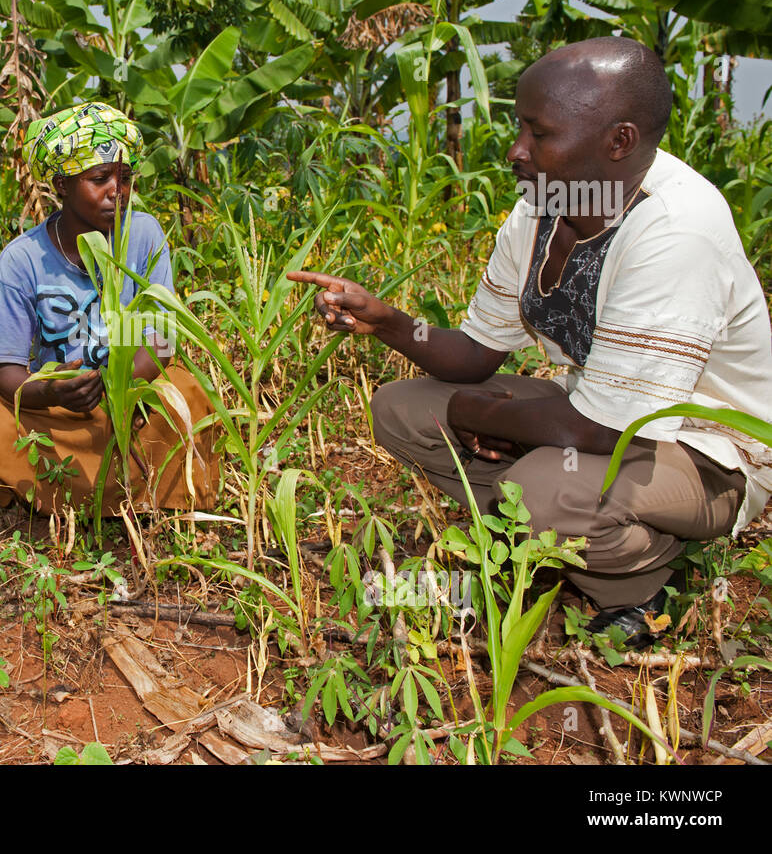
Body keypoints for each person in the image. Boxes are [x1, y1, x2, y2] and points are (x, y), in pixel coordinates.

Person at [290, 37, 772, 647]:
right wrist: (385, 320)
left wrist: (483, 414)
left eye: (539, 134)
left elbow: (600, 431)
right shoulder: (544, 206)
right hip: (595, 415)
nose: (517, 151)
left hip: (706, 451)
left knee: (541, 484)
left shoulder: (677, 232)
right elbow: (475, 354)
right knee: (401, 411)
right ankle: (537, 536)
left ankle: (646, 583)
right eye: (521, 127)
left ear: (618, 142)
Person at [0, 102, 219, 514]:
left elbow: (161, 342)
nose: (117, 190)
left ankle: (154, 496)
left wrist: (117, 390)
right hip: (62, 413)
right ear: (61, 184)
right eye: (100, 178)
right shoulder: (22, 259)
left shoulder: (144, 234)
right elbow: (7, 375)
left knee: (188, 395)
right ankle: (79, 497)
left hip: (135, 397)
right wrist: (52, 392)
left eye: (126, 177)